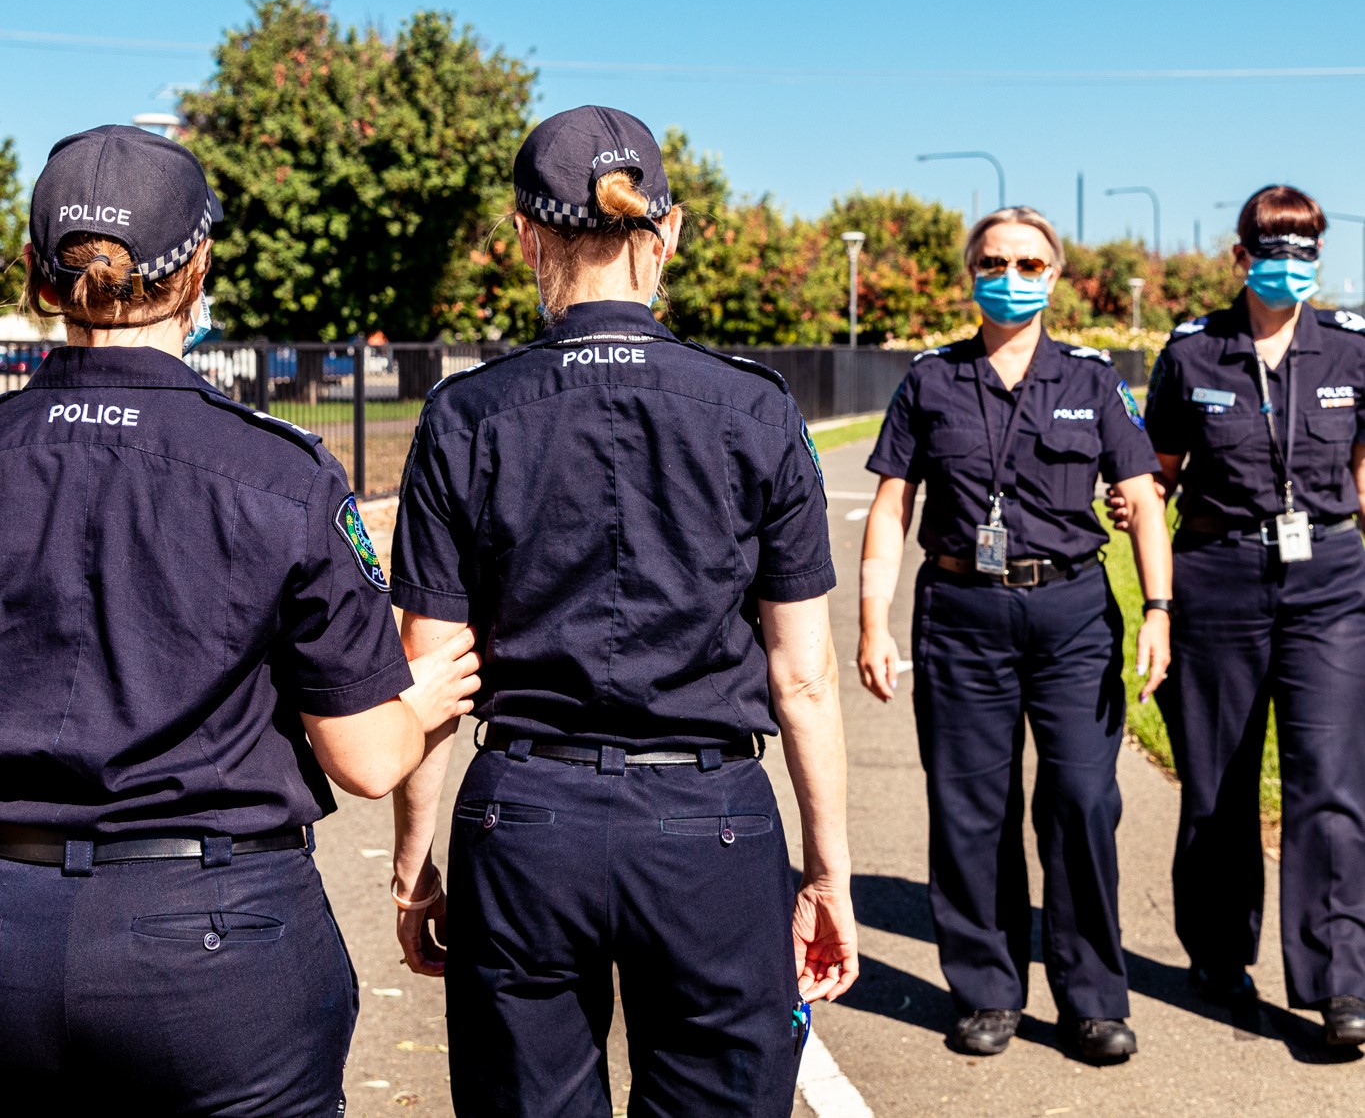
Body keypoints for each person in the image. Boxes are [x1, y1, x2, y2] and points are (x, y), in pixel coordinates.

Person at [386, 104, 858, 1117]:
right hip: (711, 825)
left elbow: (430, 670)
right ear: (669, 230)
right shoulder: (755, 407)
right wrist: (827, 872)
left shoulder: (467, 415)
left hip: (525, 822)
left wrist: (413, 864)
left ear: (526, 236)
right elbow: (805, 676)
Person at [0, 125, 481, 1115]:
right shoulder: (276, 471)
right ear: (198, 270)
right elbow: (366, 758)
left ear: (42, 278)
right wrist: (422, 699)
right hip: (212, 947)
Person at [857, 206, 1171, 1062]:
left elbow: (1142, 499)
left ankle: (1093, 1001)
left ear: (1054, 276)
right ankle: (986, 990)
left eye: (1029, 263)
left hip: (1070, 615)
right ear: (970, 272)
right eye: (994, 261)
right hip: (960, 617)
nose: (1011, 276)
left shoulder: (1093, 380)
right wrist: (872, 624)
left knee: (1079, 801)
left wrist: (1157, 611)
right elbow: (890, 508)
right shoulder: (928, 380)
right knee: (970, 809)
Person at [1113, 185, 1365, 1046]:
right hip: (1217, 573)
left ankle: (1338, 982)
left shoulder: (1351, 349)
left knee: (1329, 778)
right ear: (1238, 255)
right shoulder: (1193, 352)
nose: (1287, 262)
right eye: (1272, 245)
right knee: (1216, 780)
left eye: (1304, 247)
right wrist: (1135, 505)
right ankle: (1219, 951)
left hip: (1327, 575)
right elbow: (1162, 469)